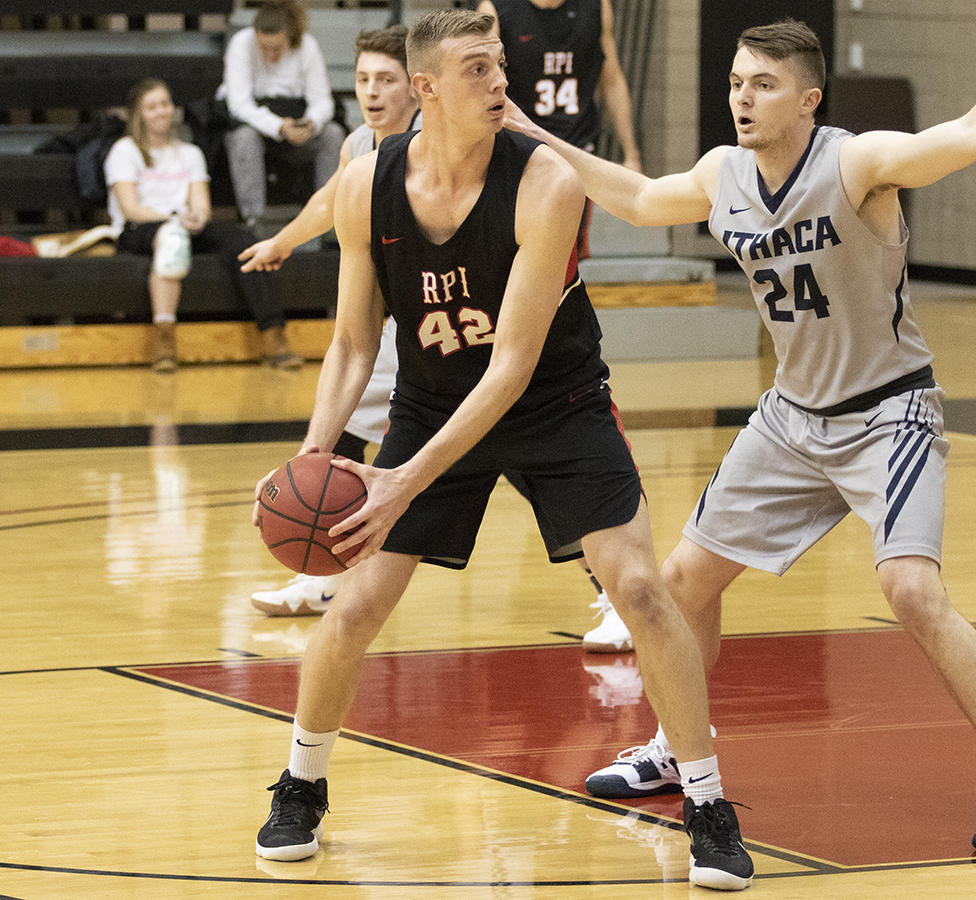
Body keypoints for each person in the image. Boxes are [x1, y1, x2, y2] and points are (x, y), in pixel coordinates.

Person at [505, 9, 976, 853]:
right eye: (736, 82)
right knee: (682, 586)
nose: (742, 98)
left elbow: (975, 134)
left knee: (912, 592)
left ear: (807, 99)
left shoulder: (856, 161)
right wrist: (532, 133)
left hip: (889, 413)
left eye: (763, 85)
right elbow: (637, 196)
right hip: (790, 419)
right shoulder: (723, 171)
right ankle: (675, 746)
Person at [251, 10, 751, 890]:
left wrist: (405, 479)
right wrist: (319, 456)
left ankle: (707, 800)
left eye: (499, 64)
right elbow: (353, 344)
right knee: (357, 604)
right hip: (432, 397)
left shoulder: (546, 180)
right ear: (427, 89)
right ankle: (301, 782)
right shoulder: (366, 187)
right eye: (478, 68)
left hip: (555, 401)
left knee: (639, 586)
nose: (500, 81)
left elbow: (513, 367)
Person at [239, 25, 634, 653]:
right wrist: (306, 463)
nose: (371, 92)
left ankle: (614, 586)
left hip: (515, 360)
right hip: (426, 351)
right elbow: (333, 241)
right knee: (339, 451)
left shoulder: (512, 160)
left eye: (384, 80)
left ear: (415, 87)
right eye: (362, 79)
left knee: (535, 469)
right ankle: (324, 555)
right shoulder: (362, 163)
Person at [106, 77, 300, 372]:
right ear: (138, 114)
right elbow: (131, 209)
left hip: (183, 224)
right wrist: (174, 219)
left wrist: (195, 217)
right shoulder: (124, 151)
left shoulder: (189, 153)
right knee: (171, 239)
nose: (161, 111)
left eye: (165, 104)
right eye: (152, 107)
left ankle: (274, 337)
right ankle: (165, 340)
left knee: (244, 241)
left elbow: (201, 205)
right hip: (140, 229)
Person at [477, 0, 642, 259]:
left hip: (575, 151)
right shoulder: (496, 9)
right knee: (514, 251)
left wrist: (631, 154)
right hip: (519, 149)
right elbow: (482, 81)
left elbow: (611, 79)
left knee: (567, 256)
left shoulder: (596, 7)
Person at [219, 0, 345, 230]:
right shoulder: (241, 44)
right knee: (243, 138)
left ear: (290, 37)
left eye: (276, 48)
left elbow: (322, 100)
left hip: (297, 126)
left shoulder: (307, 45)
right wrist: (278, 127)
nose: (269, 54)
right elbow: (239, 104)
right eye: (263, 48)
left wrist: (310, 125)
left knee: (333, 134)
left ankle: (328, 219)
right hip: (257, 127)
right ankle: (253, 219)